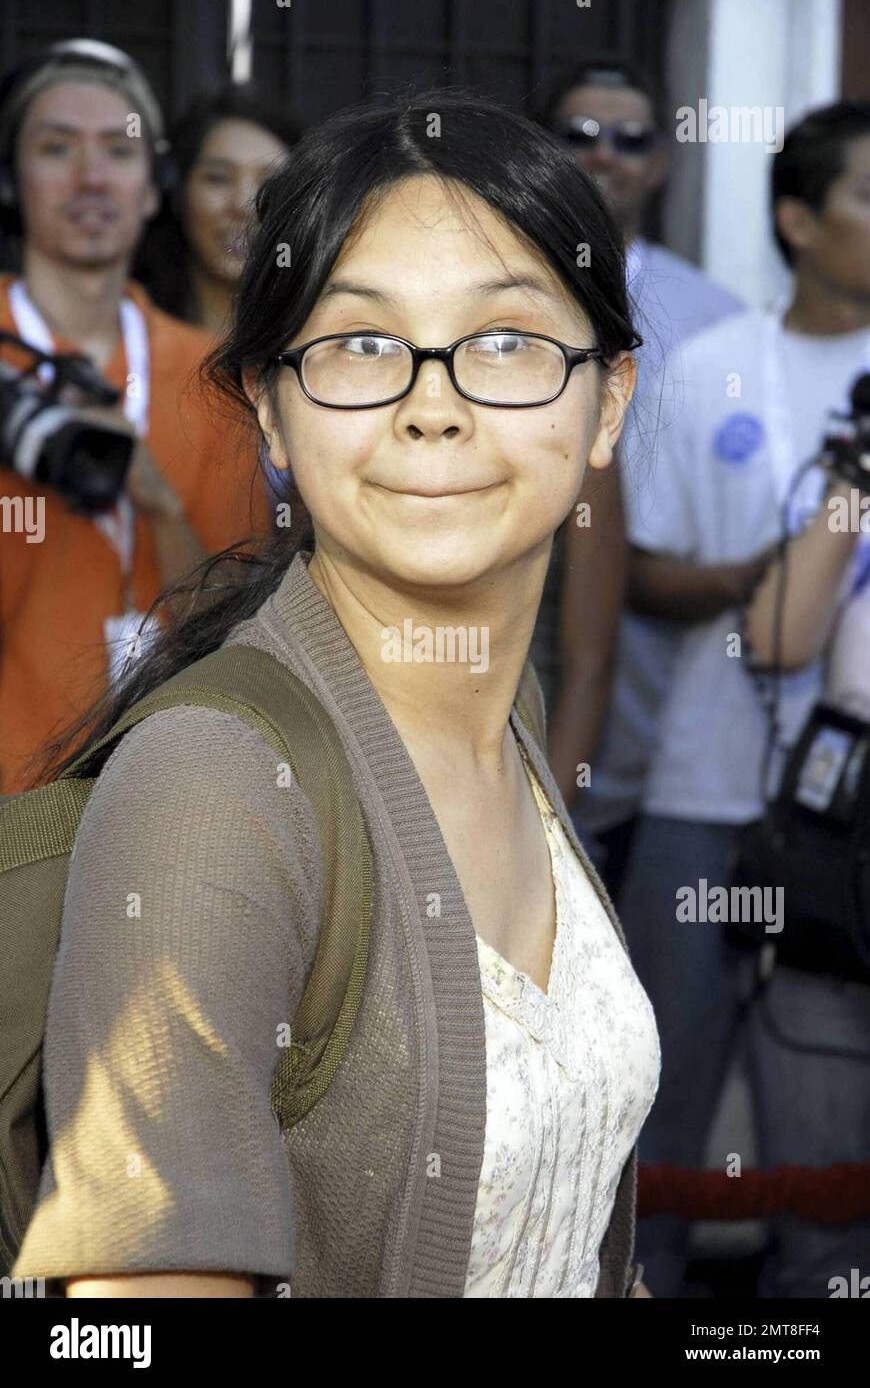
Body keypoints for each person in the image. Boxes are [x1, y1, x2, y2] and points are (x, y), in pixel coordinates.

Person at [11, 87, 659, 1299]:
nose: (432, 404)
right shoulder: (213, 787)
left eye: (508, 341)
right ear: (268, 409)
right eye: (361, 344)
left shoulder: (502, 726)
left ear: (605, 402)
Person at [618, 101, 870, 1297]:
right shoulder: (713, 362)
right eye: (868, 196)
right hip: (704, 788)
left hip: (848, 827)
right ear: (797, 221)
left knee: (827, 1131)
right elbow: (640, 568)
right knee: (658, 1105)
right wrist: (761, 584)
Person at [0, 41, 275, 794]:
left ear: (152, 187)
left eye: (117, 151)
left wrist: (154, 500)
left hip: (151, 803)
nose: (90, 177)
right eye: (56, 148)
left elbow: (228, 634)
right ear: (12, 181)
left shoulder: (212, 376)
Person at [534, 57, 743, 889]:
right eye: (580, 135)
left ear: (660, 163)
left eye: (630, 139)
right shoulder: (492, 294)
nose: (605, 154)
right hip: (520, 703)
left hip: (667, 735)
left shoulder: (714, 319)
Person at [133, 84, 297, 335]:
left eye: (270, 183)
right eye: (218, 178)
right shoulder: (131, 333)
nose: (244, 205)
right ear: (177, 193)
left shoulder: (321, 338)